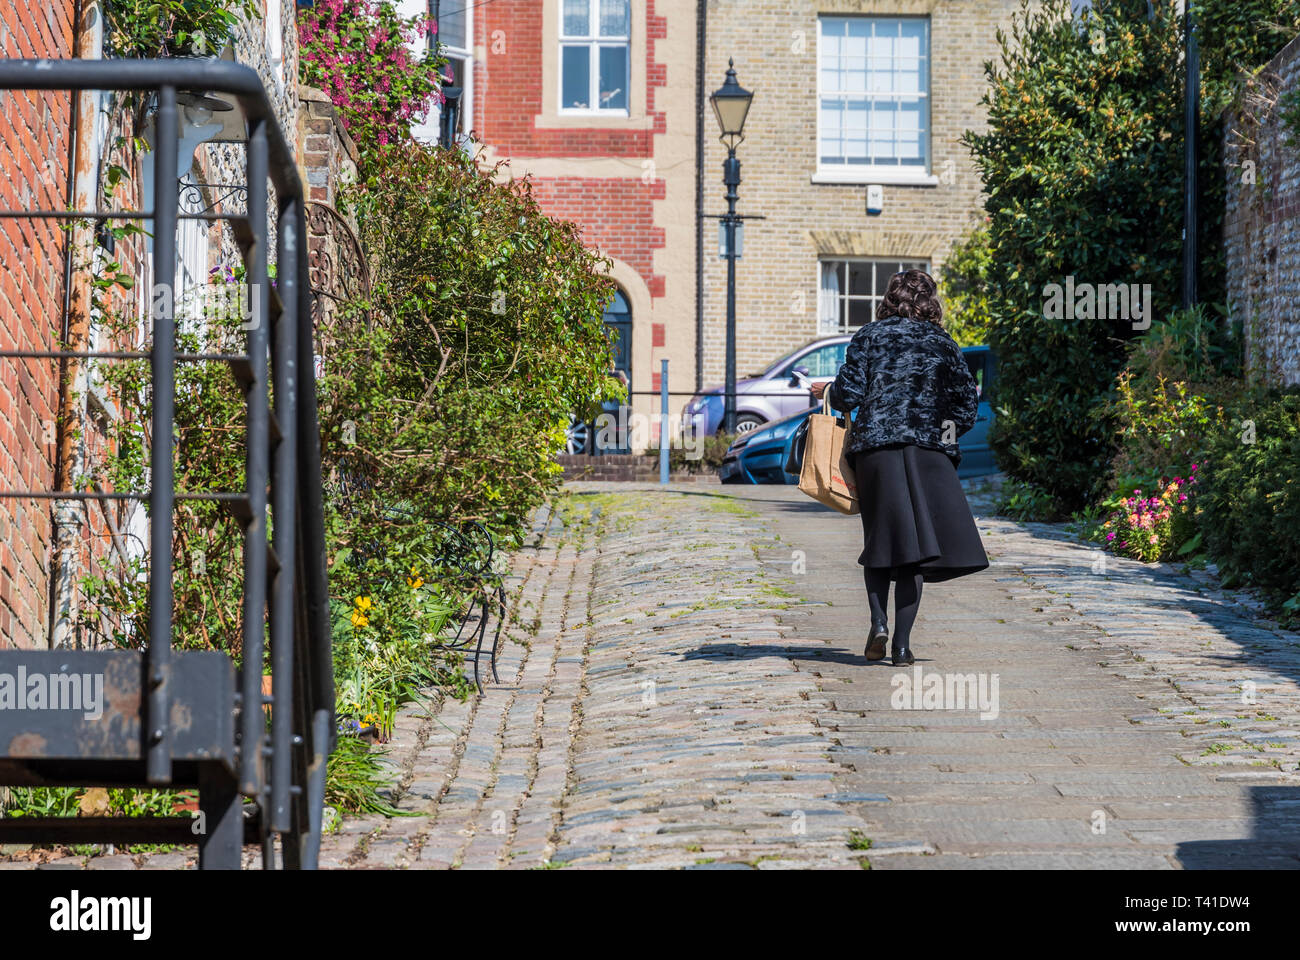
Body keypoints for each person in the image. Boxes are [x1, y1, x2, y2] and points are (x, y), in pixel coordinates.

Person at [810, 269, 988, 665]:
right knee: (915, 551)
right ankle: (903, 648)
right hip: (927, 453)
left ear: (889, 297)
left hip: (876, 450)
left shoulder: (869, 336)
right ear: (929, 301)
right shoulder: (943, 343)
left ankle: (878, 623)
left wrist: (828, 391)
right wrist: (941, 435)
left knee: (879, 541)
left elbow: (849, 394)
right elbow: (965, 407)